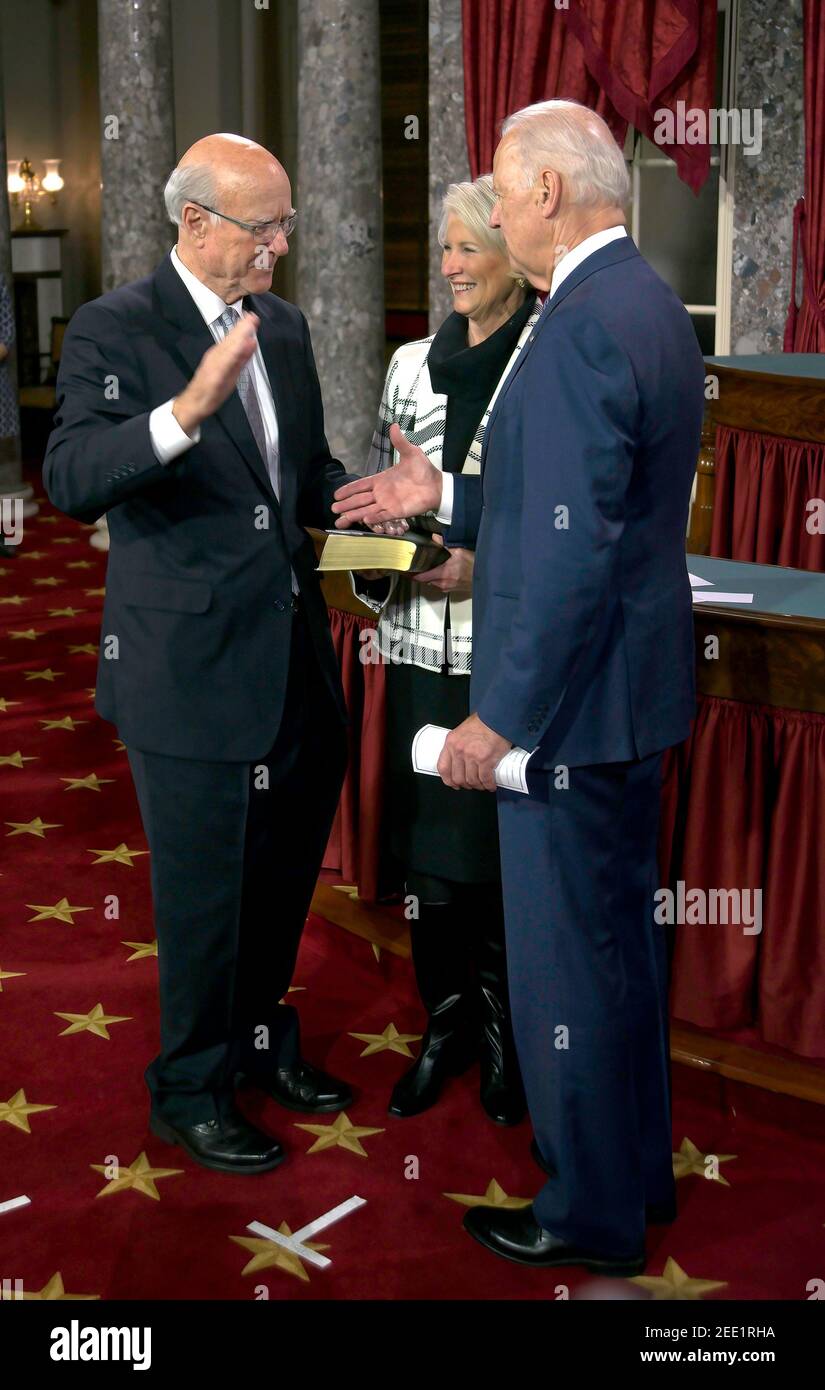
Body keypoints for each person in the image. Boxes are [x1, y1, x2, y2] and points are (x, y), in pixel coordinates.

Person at [332, 99, 706, 1275]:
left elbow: (576, 552)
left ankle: (588, 1213)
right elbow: (564, 502)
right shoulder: (637, 298)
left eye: (499, 188)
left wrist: (499, 719)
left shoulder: (584, 321)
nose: (493, 212)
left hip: (571, 718)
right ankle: (634, 1179)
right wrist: (443, 496)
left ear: (546, 190)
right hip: (625, 702)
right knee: (617, 957)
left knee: (568, 971)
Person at [43, 134, 354, 1176]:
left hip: (293, 665)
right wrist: (182, 414)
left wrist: (373, 506)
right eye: (263, 228)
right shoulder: (115, 327)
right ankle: (189, 1089)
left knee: (277, 884)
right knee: (205, 902)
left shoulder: (284, 326)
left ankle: (259, 1046)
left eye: (285, 226)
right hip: (186, 675)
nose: (280, 248)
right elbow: (72, 477)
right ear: (194, 222)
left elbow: (302, 475)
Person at [356, 176, 539, 1124]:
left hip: (508, 656)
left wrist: (481, 567)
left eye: (469, 247)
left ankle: (506, 1035)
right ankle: (446, 1024)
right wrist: (385, 548)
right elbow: (382, 492)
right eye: (445, 249)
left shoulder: (547, 356)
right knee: (431, 856)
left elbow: (562, 522)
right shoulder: (406, 364)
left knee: (498, 852)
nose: (452, 266)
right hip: (417, 650)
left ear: (512, 252)